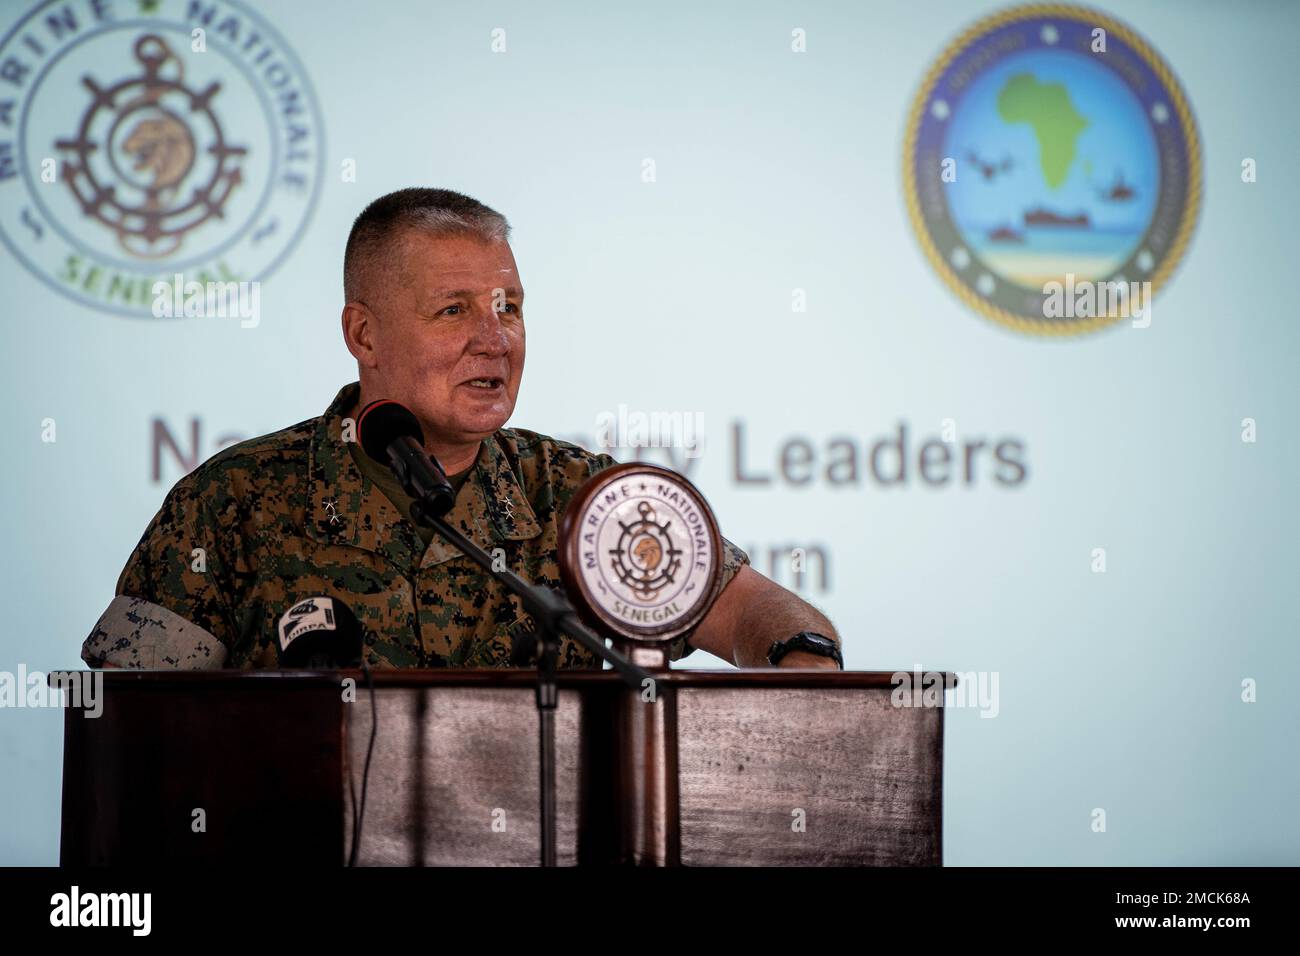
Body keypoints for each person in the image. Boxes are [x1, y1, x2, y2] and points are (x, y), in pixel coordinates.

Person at [83, 188, 842, 671]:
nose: (496, 337)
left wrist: (804, 665)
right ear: (364, 334)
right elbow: (130, 734)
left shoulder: (584, 500)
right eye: (455, 311)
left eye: (508, 306)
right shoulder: (233, 503)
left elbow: (757, 612)